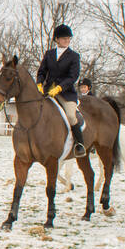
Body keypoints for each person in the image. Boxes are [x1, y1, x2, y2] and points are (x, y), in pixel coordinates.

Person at [36, 23, 85, 155]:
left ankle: (79, 144)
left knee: (70, 115)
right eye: (64, 38)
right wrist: (39, 83)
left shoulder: (74, 56)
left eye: (69, 38)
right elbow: (42, 71)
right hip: (48, 92)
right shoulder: (49, 54)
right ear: (57, 39)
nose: (67, 40)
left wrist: (59, 88)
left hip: (66, 93)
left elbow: (73, 76)